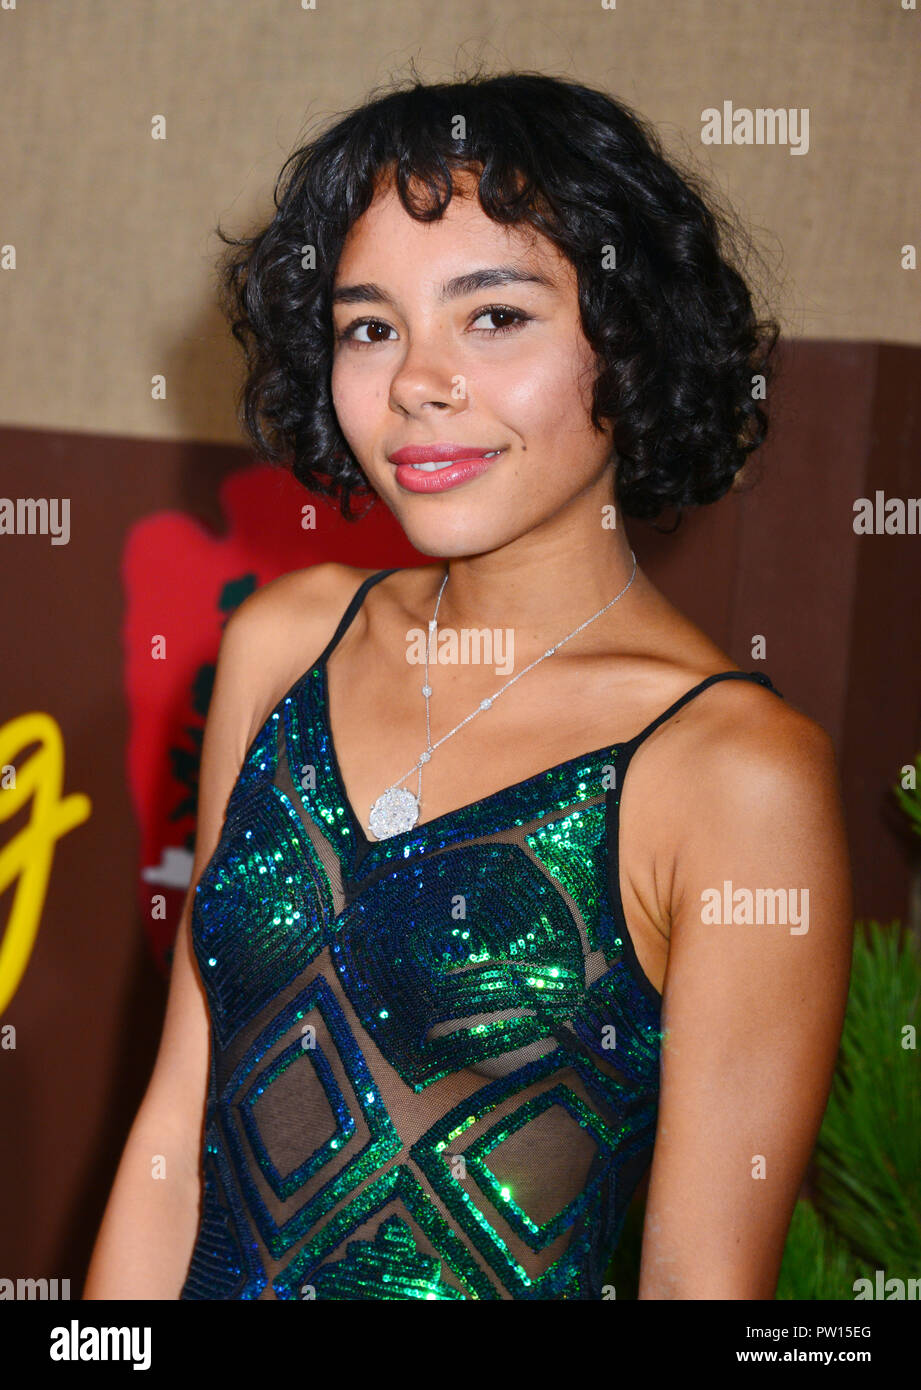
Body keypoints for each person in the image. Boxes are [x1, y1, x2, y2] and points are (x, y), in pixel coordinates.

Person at [84, 70, 852, 1300]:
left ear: (632, 337)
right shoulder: (288, 641)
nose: (416, 382)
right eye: (370, 325)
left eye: (494, 317)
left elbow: (703, 1283)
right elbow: (177, 1132)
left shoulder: (733, 774)